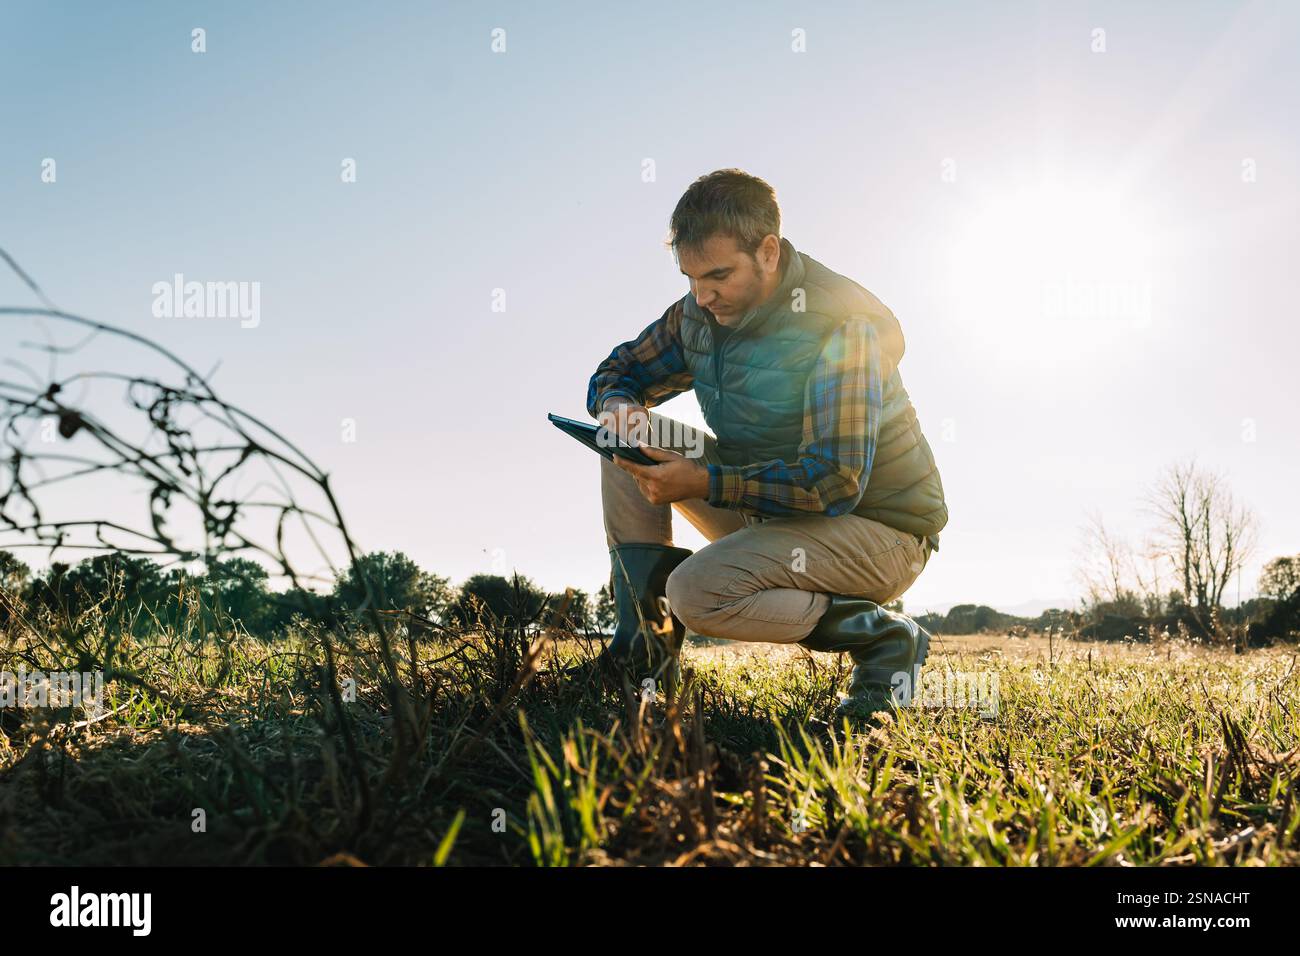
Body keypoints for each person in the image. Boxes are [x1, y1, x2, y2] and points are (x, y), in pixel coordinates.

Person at [582, 168, 948, 723]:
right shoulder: (697, 315)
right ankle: (644, 655)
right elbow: (621, 368)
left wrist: (706, 483)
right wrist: (617, 405)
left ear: (769, 252)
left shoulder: (840, 326)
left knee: (696, 594)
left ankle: (885, 640)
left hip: (879, 530)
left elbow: (834, 482)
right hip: (770, 510)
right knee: (630, 439)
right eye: (690, 278)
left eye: (719, 276)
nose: (703, 296)